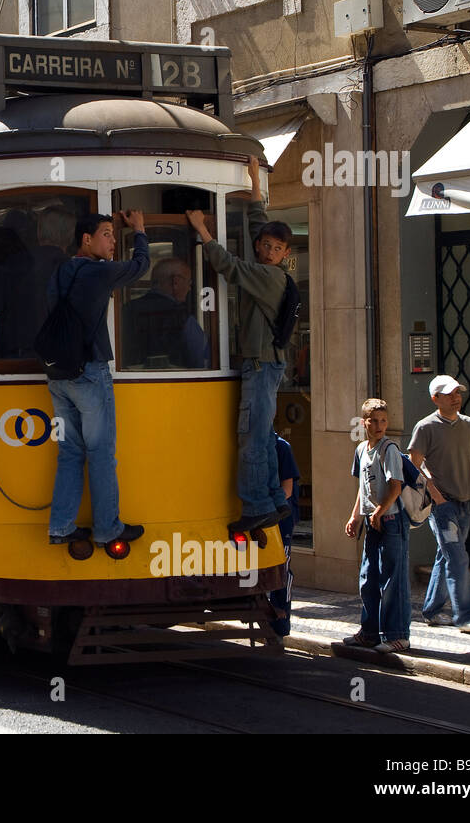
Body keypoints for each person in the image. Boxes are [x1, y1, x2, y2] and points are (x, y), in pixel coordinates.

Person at [186, 159, 293, 533]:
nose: (266, 250)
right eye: (266, 245)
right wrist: (254, 185)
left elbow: (229, 266)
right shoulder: (272, 267)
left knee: (251, 437)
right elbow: (257, 224)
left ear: (283, 255)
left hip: (261, 364)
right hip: (268, 363)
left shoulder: (268, 276)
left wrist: (201, 228)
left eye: (275, 248)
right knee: (263, 437)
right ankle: (274, 501)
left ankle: (255, 507)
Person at [45, 209, 150, 549]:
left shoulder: (60, 272)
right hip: (89, 371)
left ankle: (61, 527)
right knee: (102, 453)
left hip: (58, 374)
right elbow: (140, 266)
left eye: (114, 234)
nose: (112, 240)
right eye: (107, 234)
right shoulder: (98, 272)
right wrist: (139, 231)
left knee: (70, 453)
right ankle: (108, 529)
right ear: (86, 239)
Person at [408, 374, 470, 634]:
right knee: (458, 557)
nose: (455, 397)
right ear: (435, 398)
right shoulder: (425, 427)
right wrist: (435, 493)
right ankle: (466, 615)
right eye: (449, 393)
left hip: (465, 503)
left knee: (447, 556)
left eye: (457, 393)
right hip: (442, 507)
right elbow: (413, 467)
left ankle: (430, 610)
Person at [344, 398, 410, 653]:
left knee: (393, 579)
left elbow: (396, 486)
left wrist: (380, 512)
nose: (380, 425)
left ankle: (398, 635)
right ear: (365, 423)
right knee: (368, 579)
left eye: (384, 420)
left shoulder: (389, 449)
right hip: (373, 521)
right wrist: (355, 517)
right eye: (374, 421)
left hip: (392, 521)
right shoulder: (361, 450)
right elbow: (363, 489)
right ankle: (369, 632)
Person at [122, 256, 209, 368]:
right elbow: (201, 361)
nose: (189, 288)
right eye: (189, 283)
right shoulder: (182, 316)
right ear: (175, 282)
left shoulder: (127, 310)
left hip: (132, 382)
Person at [268, 430, 301, 638]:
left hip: (281, 521)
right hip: (266, 520)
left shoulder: (281, 446)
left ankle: (281, 623)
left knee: (282, 569)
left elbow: (286, 489)